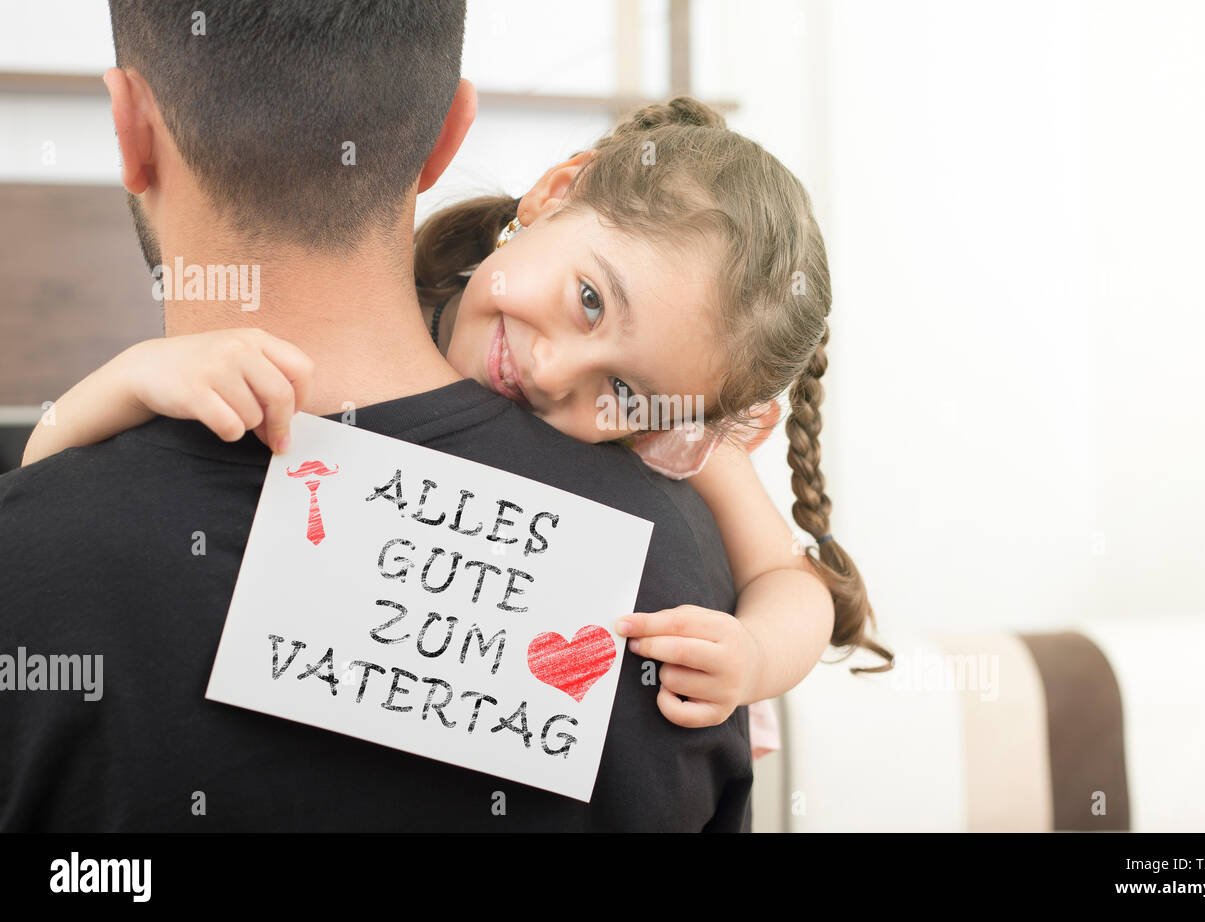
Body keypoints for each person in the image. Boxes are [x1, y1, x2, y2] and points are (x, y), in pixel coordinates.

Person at [0, 1, 751, 832]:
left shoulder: (26, 563)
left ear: (129, 129)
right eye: (589, 301)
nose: (552, 369)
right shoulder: (686, 611)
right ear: (447, 134)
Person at [22, 99, 897, 764]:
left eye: (625, 391)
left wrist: (753, 655)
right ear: (555, 194)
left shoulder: (667, 442)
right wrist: (134, 376)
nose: (555, 372)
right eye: (590, 301)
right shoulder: (348, 332)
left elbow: (792, 583)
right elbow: (41, 472)